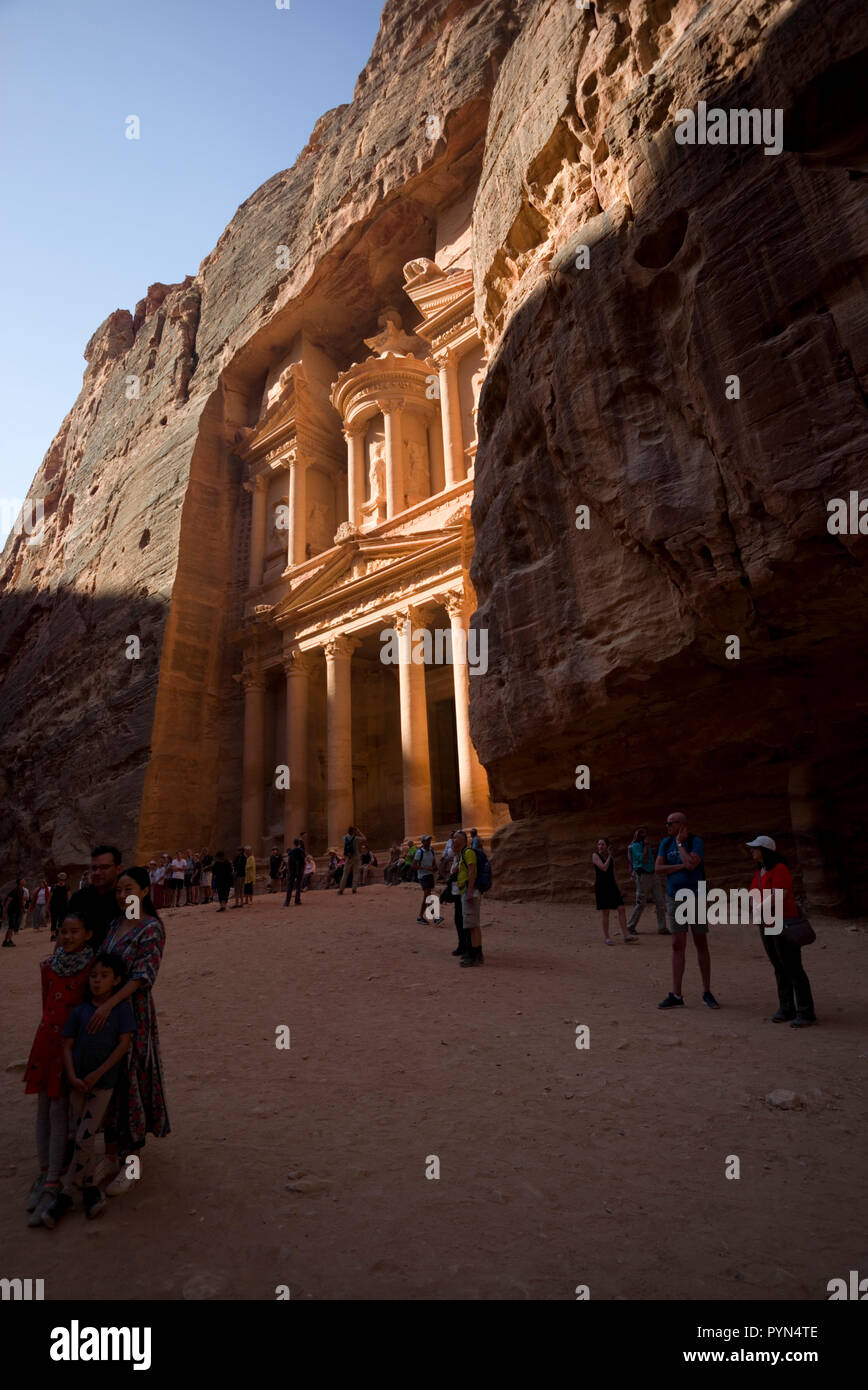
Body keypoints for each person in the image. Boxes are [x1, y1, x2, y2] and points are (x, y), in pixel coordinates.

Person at [41, 953, 136, 1228]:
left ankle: (68, 1193)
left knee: (84, 1133)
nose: (97, 981)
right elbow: (67, 1046)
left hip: (103, 1083)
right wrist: (72, 1075)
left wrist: (97, 1073)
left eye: (104, 976)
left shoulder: (120, 1011)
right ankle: (90, 1190)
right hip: (78, 1082)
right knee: (79, 1131)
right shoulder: (80, 1011)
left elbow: (123, 1045)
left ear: (117, 980)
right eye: (94, 976)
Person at [96, 866, 171, 1196]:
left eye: (128, 888)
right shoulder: (114, 925)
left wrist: (111, 1002)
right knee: (108, 1083)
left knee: (132, 1080)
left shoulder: (152, 928)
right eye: (118, 889)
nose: (122, 893)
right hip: (105, 1014)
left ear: (143, 890)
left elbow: (143, 975)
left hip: (132, 1013)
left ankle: (133, 1161)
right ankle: (111, 1156)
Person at [22, 913, 94, 1225]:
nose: (67, 937)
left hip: (68, 1049)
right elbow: (45, 1003)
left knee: (59, 1110)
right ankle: (43, 1174)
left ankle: (53, 1180)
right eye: (63, 931)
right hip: (46, 1042)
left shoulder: (92, 969)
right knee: (42, 1109)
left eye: (74, 931)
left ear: (88, 934)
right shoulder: (49, 966)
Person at [747, 836, 816, 1028]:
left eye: (755, 848)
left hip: (782, 922)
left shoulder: (779, 869)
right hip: (767, 922)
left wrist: (759, 908)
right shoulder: (761, 870)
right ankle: (787, 1008)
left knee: (792, 966)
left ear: (765, 850)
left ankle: (805, 1011)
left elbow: (781, 894)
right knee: (779, 965)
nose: (752, 851)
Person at [656, 811, 718, 1009]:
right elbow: (658, 869)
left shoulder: (694, 841)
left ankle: (707, 991)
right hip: (675, 897)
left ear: (681, 825)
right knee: (677, 944)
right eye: (667, 824)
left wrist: (681, 845)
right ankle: (676, 994)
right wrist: (681, 865)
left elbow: (692, 865)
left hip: (696, 895)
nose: (667, 827)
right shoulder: (665, 843)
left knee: (700, 942)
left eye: (670, 823)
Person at [67, 846, 122, 951]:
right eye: (94, 868)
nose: (97, 872)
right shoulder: (78, 899)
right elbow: (64, 936)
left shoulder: (128, 899)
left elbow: (136, 931)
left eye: (104, 867)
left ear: (118, 869)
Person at [592, 839, 635, 944]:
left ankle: (626, 935)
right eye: (599, 844)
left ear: (607, 846)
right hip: (602, 887)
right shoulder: (595, 855)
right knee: (606, 912)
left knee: (621, 909)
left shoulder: (611, 858)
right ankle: (607, 937)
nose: (600, 846)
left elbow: (614, 874)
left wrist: (620, 888)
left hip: (612, 886)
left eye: (602, 844)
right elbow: (604, 868)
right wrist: (610, 857)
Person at [626, 827, 667, 935]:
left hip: (653, 874)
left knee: (660, 901)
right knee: (641, 903)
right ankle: (630, 926)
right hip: (643, 876)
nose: (644, 835)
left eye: (645, 833)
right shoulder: (635, 846)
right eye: (642, 833)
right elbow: (642, 859)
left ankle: (662, 927)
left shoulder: (646, 846)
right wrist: (645, 846)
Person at [454, 830, 484, 966]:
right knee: (473, 926)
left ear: (463, 840)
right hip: (466, 892)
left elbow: (473, 871)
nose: (453, 840)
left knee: (472, 926)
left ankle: (474, 956)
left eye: (456, 838)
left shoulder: (468, 852)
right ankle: (477, 955)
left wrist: (470, 891)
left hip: (469, 892)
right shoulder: (462, 854)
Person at [414, 835, 442, 924]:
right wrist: (426, 868)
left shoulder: (431, 851)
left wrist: (434, 868)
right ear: (423, 842)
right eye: (427, 841)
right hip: (423, 876)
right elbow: (413, 866)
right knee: (427, 896)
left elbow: (433, 863)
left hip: (430, 875)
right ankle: (434, 917)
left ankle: (421, 917)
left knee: (428, 896)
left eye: (429, 840)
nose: (429, 842)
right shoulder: (419, 852)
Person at [2, 877, 29, 947]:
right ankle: (8, 940)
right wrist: (4, 912)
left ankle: (6, 941)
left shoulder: (22, 890)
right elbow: (8, 902)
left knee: (12, 926)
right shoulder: (14, 891)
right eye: (23, 880)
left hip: (17, 910)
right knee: (11, 926)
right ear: (20, 883)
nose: (25, 881)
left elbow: (21, 900)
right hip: (11, 910)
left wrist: (23, 908)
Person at [338, 826, 363, 895]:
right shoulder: (356, 838)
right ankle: (354, 889)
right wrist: (359, 832)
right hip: (356, 857)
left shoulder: (345, 837)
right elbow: (364, 839)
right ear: (354, 831)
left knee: (345, 874)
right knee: (355, 873)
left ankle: (341, 890)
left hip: (348, 858)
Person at [283, 839, 306, 907]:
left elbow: (289, 861)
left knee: (290, 886)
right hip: (299, 871)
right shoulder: (302, 851)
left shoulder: (291, 852)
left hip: (292, 871)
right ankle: (297, 900)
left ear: (294, 844)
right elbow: (303, 862)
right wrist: (302, 870)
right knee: (298, 886)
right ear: (299, 844)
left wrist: (289, 871)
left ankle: (287, 902)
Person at [49, 873, 69, 940]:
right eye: (60, 879)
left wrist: (69, 905)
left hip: (63, 907)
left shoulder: (66, 887)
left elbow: (69, 897)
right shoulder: (54, 887)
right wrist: (47, 905)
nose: (62, 881)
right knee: (53, 921)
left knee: (62, 921)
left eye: (63, 879)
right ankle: (52, 936)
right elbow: (50, 896)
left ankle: (59, 933)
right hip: (54, 906)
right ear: (58, 879)